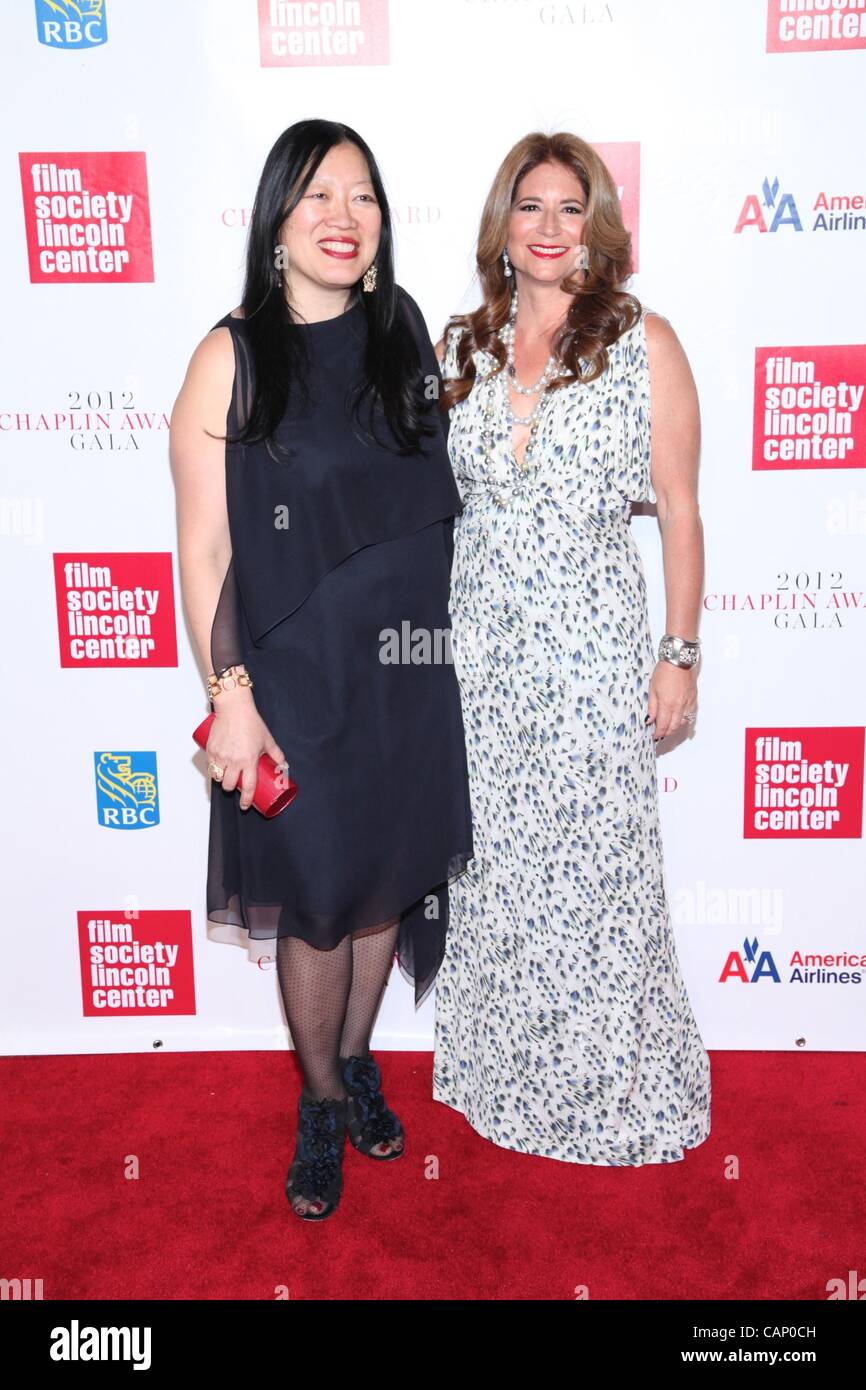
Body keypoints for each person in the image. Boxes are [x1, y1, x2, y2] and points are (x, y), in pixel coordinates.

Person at [170, 119, 473, 1219]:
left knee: (383, 879)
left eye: (361, 196)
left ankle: (351, 1069)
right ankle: (315, 1102)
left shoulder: (399, 330)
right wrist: (230, 701)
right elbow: (204, 552)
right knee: (314, 903)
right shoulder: (231, 355)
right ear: (274, 225)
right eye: (315, 198)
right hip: (290, 681)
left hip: (406, 671)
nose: (342, 217)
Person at [432, 131, 711, 1165]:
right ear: (500, 226)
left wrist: (677, 653)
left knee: (600, 874)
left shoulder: (643, 342)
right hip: (484, 656)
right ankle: (502, 1071)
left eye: (567, 207)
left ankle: (615, 1083)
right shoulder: (460, 348)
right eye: (527, 206)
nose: (546, 227)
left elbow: (678, 512)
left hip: (592, 648)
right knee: (499, 872)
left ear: (592, 228)